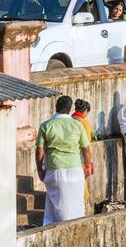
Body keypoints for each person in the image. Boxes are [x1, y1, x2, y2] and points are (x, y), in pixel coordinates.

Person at [36, 95, 91, 224]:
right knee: (76, 205)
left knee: (55, 205)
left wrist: (40, 169)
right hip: (76, 170)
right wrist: (87, 166)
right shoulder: (78, 125)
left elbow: (39, 150)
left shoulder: (46, 125)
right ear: (69, 108)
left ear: (56, 107)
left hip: (55, 169)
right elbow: (86, 149)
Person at [72, 98, 94, 214]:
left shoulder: (70, 120)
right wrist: (89, 162)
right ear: (85, 111)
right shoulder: (84, 123)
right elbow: (86, 144)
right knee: (83, 185)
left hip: (72, 156)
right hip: (81, 157)